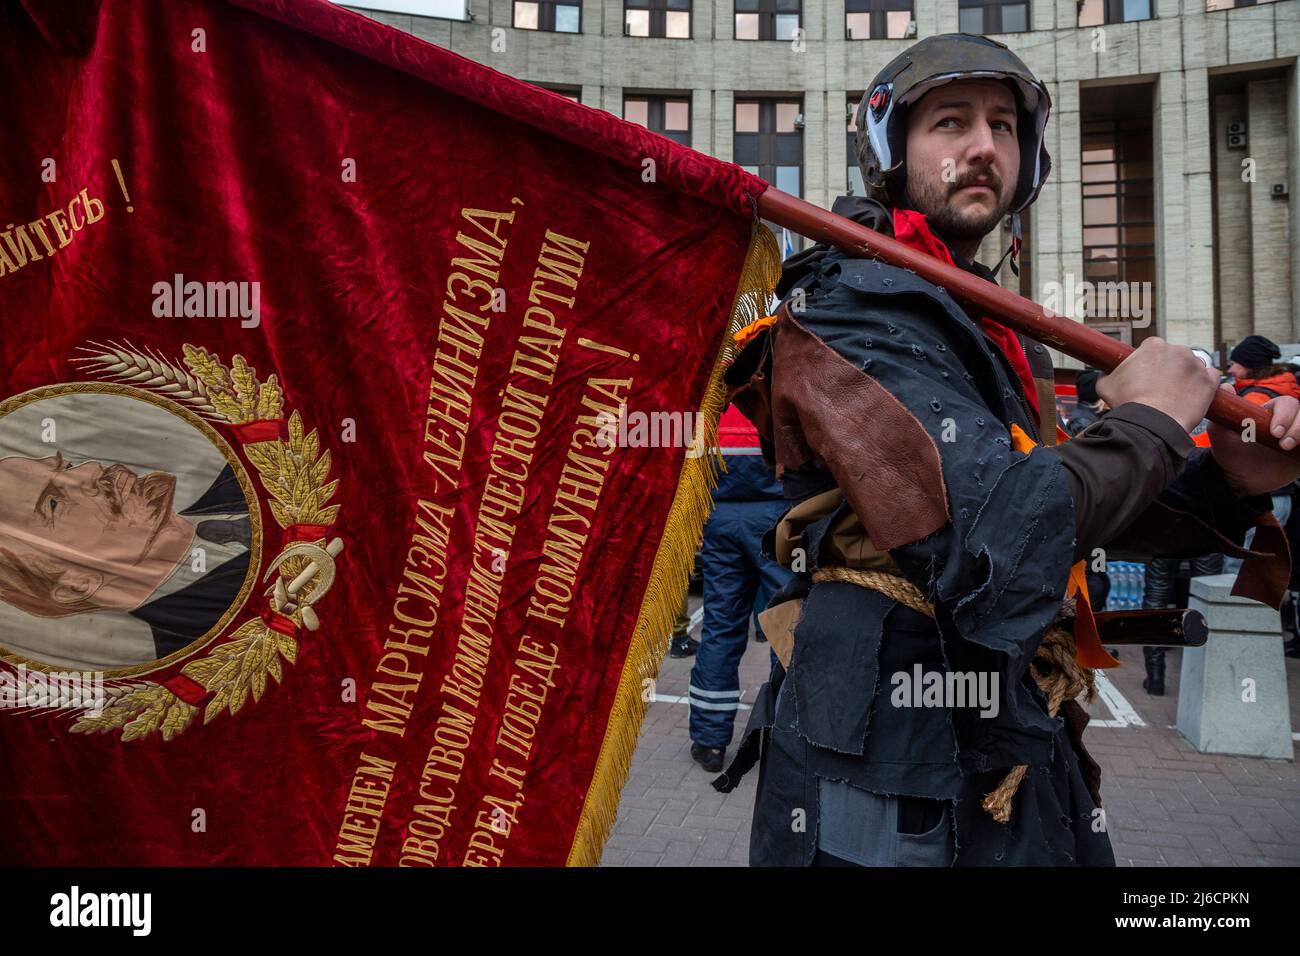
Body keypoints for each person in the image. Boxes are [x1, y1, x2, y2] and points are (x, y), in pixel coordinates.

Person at [714, 33, 1299, 866]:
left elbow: (1065, 508)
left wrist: (1217, 480)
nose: (984, 146)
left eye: (1004, 127)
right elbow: (1000, 539)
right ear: (889, 152)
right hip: (894, 767)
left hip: (1011, 730)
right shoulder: (848, 306)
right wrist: (1150, 423)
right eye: (950, 123)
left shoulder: (988, 322)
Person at [0, 453, 251, 666]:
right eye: (53, 503)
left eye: (66, 467)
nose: (91, 470)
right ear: (75, 583)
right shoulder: (212, 647)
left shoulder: (243, 473)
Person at [688, 405, 792, 773]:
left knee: (720, 627)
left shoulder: (716, 389)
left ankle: (709, 741)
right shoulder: (779, 382)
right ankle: (786, 737)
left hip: (721, 516)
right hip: (778, 518)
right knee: (787, 627)